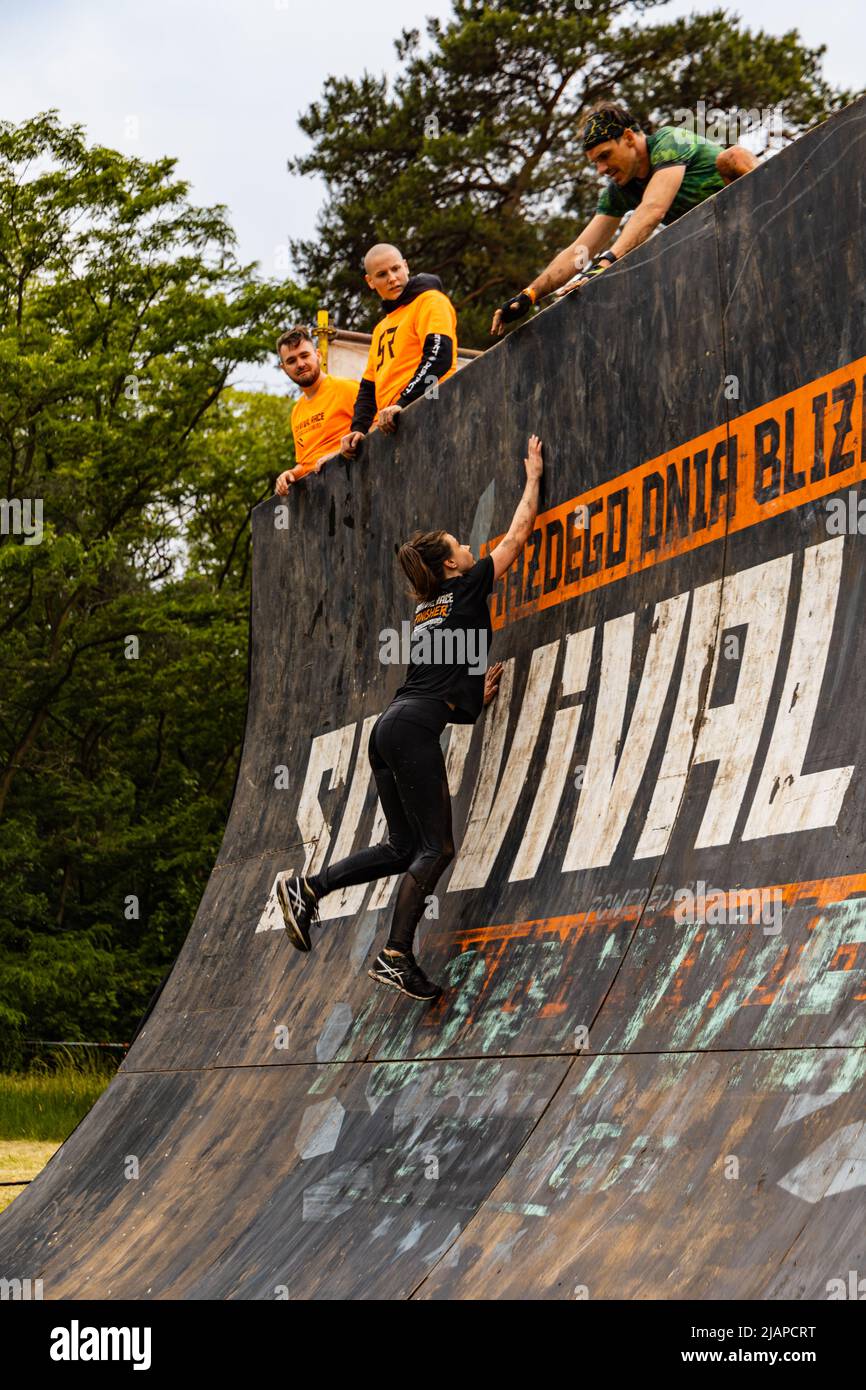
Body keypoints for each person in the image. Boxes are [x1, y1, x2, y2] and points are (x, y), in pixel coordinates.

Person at [278, 434, 544, 1002]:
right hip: (411, 728)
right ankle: (396, 953)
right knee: (436, 849)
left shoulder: (428, 607)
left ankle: (311, 887)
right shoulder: (466, 585)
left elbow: (445, 668)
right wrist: (534, 477)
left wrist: (474, 694)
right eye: (461, 546)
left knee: (404, 848)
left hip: (391, 728)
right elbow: (519, 532)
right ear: (452, 564)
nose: (470, 550)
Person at [491, 102, 759, 334]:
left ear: (629, 138)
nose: (600, 169)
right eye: (594, 162)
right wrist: (530, 294)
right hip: (721, 247)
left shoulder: (669, 142)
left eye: (605, 156)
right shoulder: (620, 191)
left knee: (732, 157)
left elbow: (653, 209)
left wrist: (605, 263)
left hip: (758, 213)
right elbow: (580, 251)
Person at [340, 244, 458, 458]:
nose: (392, 278)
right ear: (370, 282)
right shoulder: (380, 328)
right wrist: (358, 429)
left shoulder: (430, 300)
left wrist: (403, 402)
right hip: (395, 427)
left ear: (406, 266)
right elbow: (369, 387)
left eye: (396, 269)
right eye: (382, 274)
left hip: (434, 408)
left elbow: (439, 356)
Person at [274, 326, 357, 494]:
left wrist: (337, 455)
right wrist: (290, 474)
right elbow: (305, 464)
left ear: (318, 355)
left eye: (304, 355)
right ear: (283, 368)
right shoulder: (297, 411)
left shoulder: (347, 388)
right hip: (322, 499)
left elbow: (375, 430)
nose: (300, 364)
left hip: (353, 485)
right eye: (291, 361)